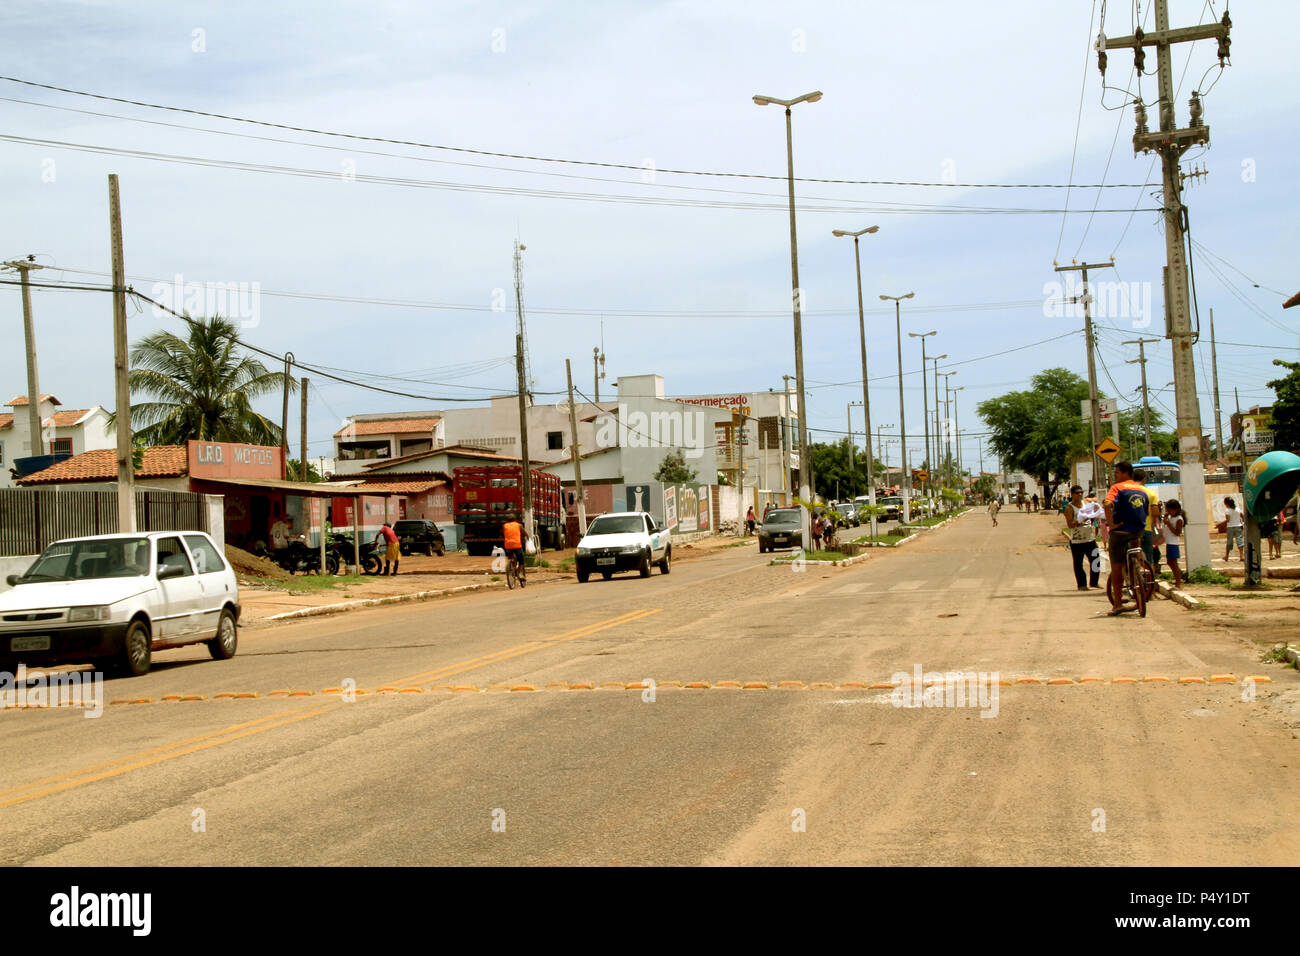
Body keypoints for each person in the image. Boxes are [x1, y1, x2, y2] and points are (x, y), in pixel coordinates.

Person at [1103, 460, 1151, 615]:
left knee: (1116, 568)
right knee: (1135, 549)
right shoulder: (1142, 489)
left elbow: (1107, 504)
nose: (1115, 475)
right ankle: (1136, 566)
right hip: (1138, 530)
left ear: (1126, 473)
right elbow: (1146, 510)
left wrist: (1111, 524)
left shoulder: (1117, 487)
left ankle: (1117, 604)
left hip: (1120, 532)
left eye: (1116, 472)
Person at [1065, 485, 1100, 591]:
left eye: (1081, 492)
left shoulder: (1086, 504)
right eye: (1077, 493)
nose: (1080, 494)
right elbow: (1070, 525)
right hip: (1077, 540)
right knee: (1078, 563)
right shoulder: (1070, 508)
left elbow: (1095, 501)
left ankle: (1094, 582)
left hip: (1089, 538)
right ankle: (1082, 584)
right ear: (1072, 494)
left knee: (1095, 560)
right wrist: (1079, 520)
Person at [1162, 500, 1185, 589]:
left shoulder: (1179, 519)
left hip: (1173, 543)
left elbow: (1177, 532)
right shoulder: (1172, 517)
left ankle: (1178, 582)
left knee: (1173, 563)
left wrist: (1168, 524)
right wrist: (1166, 519)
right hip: (1169, 542)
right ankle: (1177, 580)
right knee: (1170, 562)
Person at [1223, 496, 1244, 562]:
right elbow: (1242, 516)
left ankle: (1226, 556)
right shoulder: (1238, 509)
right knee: (1240, 541)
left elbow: (1228, 520)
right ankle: (1241, 556)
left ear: (1227, 504)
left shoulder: (1227, 511)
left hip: (1230, 527)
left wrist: (1219, 524)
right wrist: (1242, 523)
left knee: (1229, 542)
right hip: (1238, 526)